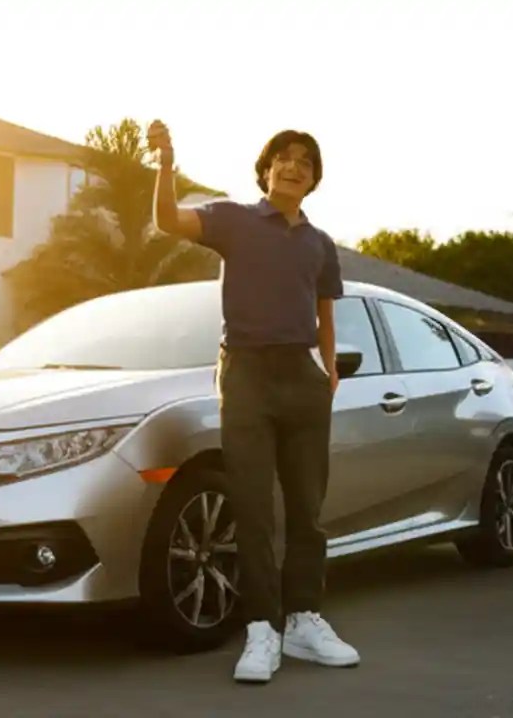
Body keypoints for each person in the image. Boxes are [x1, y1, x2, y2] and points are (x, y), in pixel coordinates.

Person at [149, 120, 360, 683]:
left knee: (307, 508)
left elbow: (325, 313)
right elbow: (167, 220)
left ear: (313, 180)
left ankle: (304, 620)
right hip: (246, 374)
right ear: (266, 170)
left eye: (305, 162)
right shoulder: (233, 220)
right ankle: (262, 629)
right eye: (283, 158)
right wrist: (166, 164)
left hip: (302, 378)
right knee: (253, 507)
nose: (294, 167)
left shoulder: (320, 245)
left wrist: (328, 369)